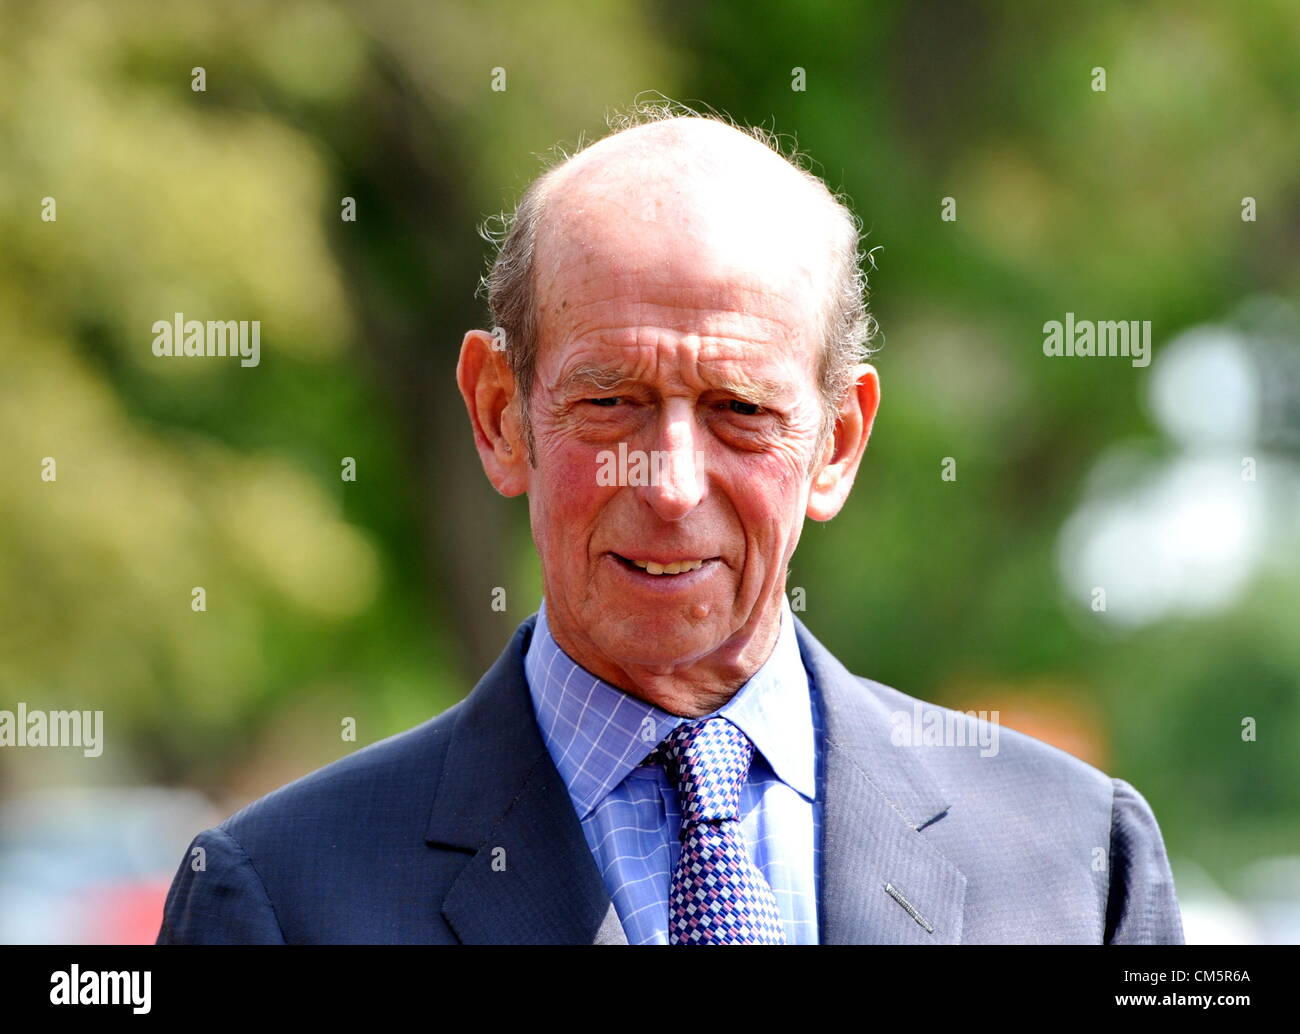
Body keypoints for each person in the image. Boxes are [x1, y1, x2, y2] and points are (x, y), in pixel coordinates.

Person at [157, 105, 1184, 945]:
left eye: (739, 409)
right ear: (498, 413)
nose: (672, 481)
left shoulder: (1076, 864)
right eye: (610, 401)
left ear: (836, 441)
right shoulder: (287, 898)